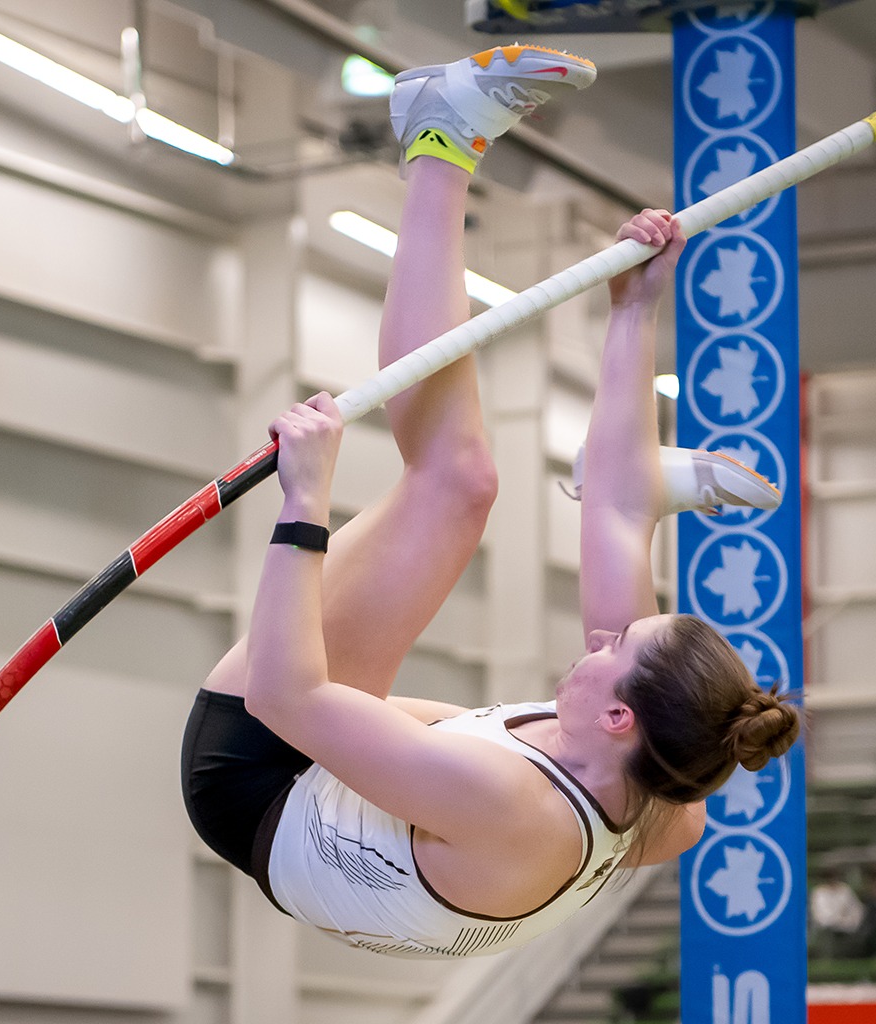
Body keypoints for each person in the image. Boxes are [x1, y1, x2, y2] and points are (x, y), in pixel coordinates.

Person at [180, 46, 801, 960]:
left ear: (620, 715)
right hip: (378, 766)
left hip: (260, 774)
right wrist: (635, 310)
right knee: (523, 493)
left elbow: (283, 692)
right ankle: (632, 470)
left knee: (449, 485)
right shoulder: (665, 804)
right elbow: (612, 533)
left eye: (617, 652)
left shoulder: (511, 806)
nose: (598, 645)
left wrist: (304, 501)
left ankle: (439, 136)